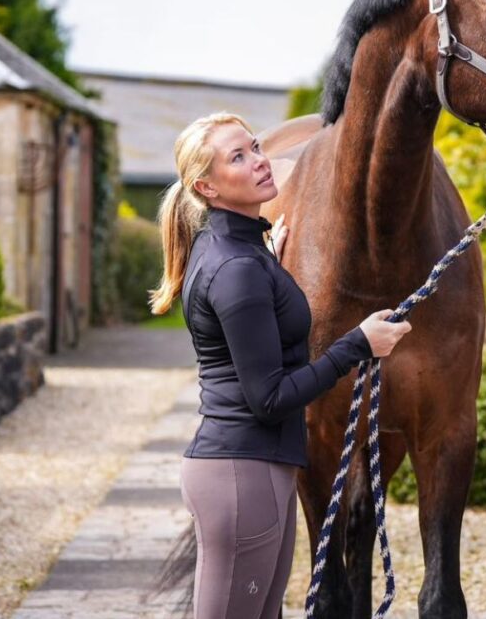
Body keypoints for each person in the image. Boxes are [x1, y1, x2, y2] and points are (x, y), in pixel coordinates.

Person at [148, 111, 411, 619]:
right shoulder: (238, 269)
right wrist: (357, 344)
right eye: (238, 157)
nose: (260, 162)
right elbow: (268, 399)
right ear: (207, 186)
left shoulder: (238, 248)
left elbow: (245, 282)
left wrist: (271, 256)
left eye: (254, 147)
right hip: (244, 475)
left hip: (252, 473)